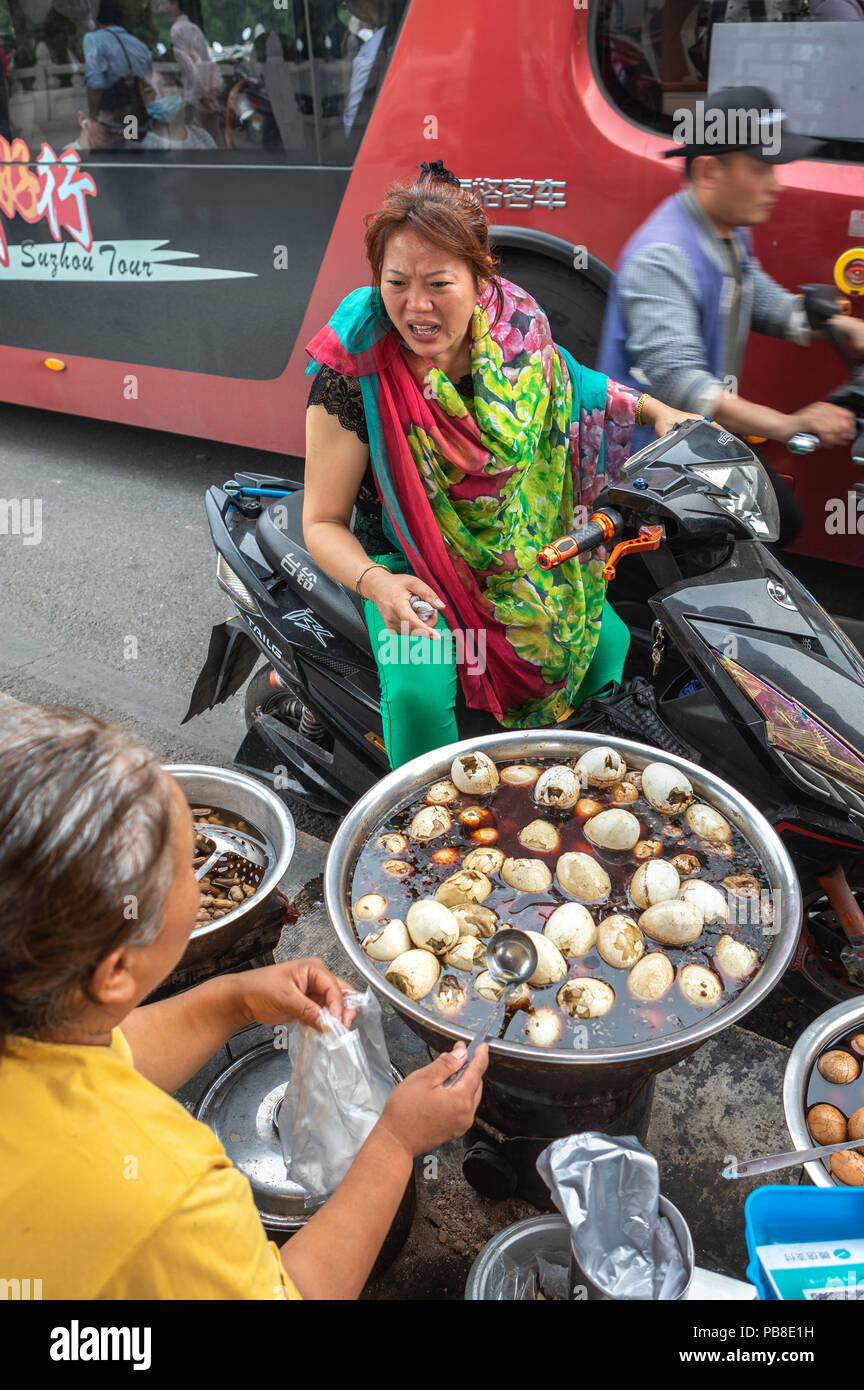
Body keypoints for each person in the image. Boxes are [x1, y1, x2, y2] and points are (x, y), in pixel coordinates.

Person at [0, 702, 486, 1300]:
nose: (205, 874)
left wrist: (230, 1001)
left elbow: (106, 1057)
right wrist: (394, 1143)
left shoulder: (33, 1026)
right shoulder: (166, 1188)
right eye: (186, 866)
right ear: (117, 971)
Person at [302, 161, 701, 769]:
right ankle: (424, 832)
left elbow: (574, 381)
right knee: (417, 687)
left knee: (605, 644)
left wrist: (656, 411)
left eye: (439, 283)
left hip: (519, 543)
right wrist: (378, 584)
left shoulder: (518, 330)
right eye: (396, 282)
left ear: (480, 277)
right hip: (402, 559)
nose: (415, 306)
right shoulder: (356, 370)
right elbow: (323, 521)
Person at [597, 85, 864, 543]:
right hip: (646, 467)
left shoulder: (725, 231)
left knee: (780, 520)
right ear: (708, 171)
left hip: (694, 440)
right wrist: (792, 425)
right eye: (760, 169)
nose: (776, 185)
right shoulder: (664, 255)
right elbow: (685, 387)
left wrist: (836, 325)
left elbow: (758, 300)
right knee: (772, 527)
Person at [83, 0, 154, 129]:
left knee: (121, 145)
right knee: (136, 143)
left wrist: (93, 119)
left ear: (96, 18)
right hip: (140, 116)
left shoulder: (93, 39)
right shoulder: (139, 45)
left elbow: (95, 84)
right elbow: (150, 80)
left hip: (114, 119)